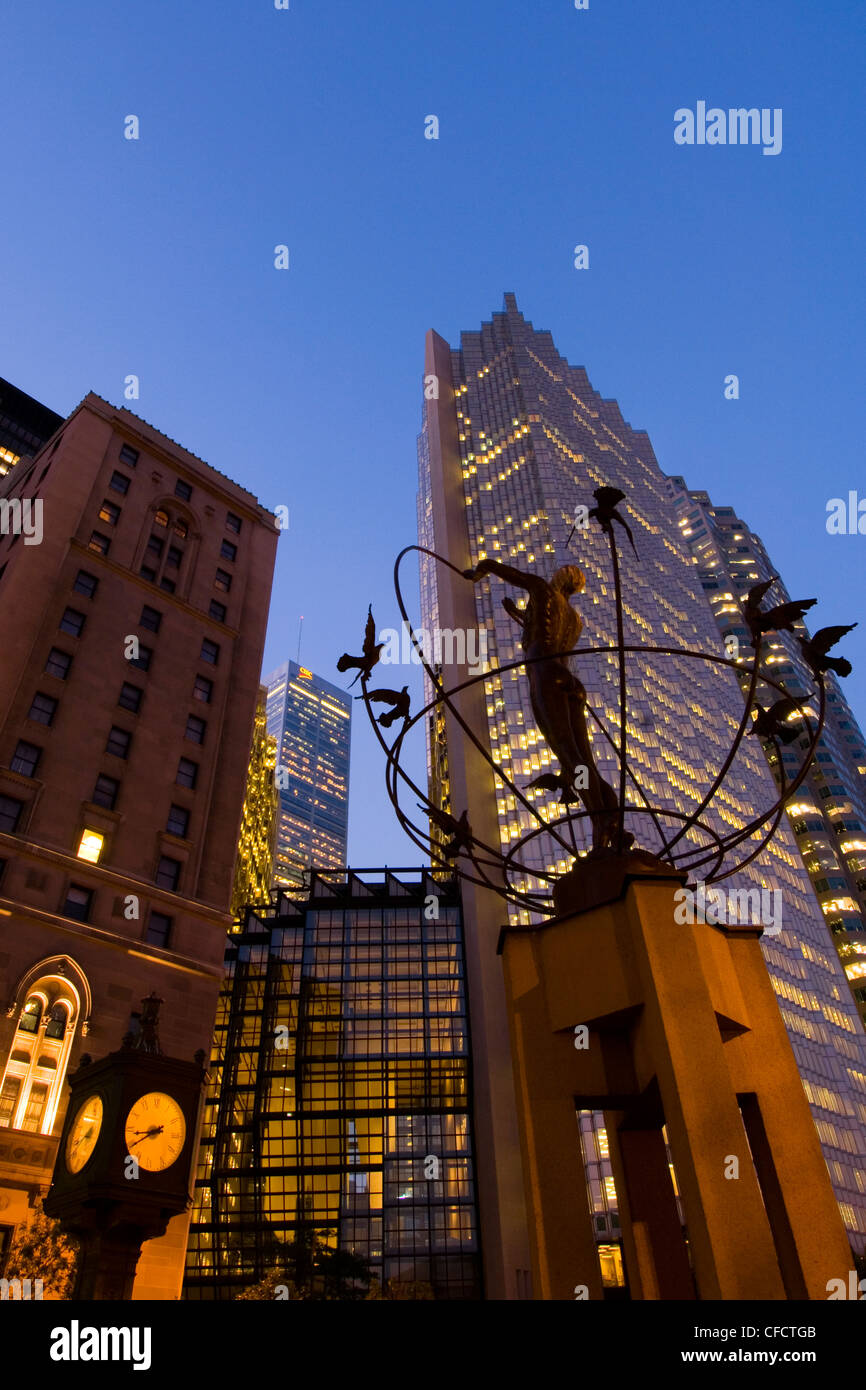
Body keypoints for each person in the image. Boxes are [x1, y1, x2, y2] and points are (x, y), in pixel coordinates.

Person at [463, 558, 624, 852]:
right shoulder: (574, 619)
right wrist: (516, 614)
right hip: (571, 684)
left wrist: (480, 570)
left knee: (569, 756)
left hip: (545, 676)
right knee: (585, 761)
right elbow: (541, 630)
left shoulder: (542, 590)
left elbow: (513, 575)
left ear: (561, 578)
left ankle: (600, 825)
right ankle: (613, 823)